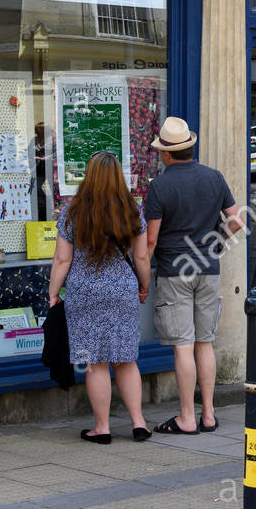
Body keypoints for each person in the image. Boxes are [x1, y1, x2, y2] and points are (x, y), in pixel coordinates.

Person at [144, 116, 243, 435]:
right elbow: (237, 222)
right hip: (208, 269)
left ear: (167, 154)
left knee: (183, 346)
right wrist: (215, 244)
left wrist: (143, 277)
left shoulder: (159, 187)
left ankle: (187, 417)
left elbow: (150, 241)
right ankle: (209, 414)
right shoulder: (214, 178)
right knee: (205, 343)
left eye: (161, 149)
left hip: (174, 272)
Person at [48, 151, 152, 444]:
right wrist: (144, 285)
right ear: (118, 177)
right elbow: (141, 256)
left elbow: (62, 260)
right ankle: (139, 423)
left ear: (88, 177)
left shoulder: (72, 212)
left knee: (95, 363)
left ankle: (102, 428)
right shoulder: (133, 211)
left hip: (85, 293)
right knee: (126, 360)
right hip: (123, 292)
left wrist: (53, 293)